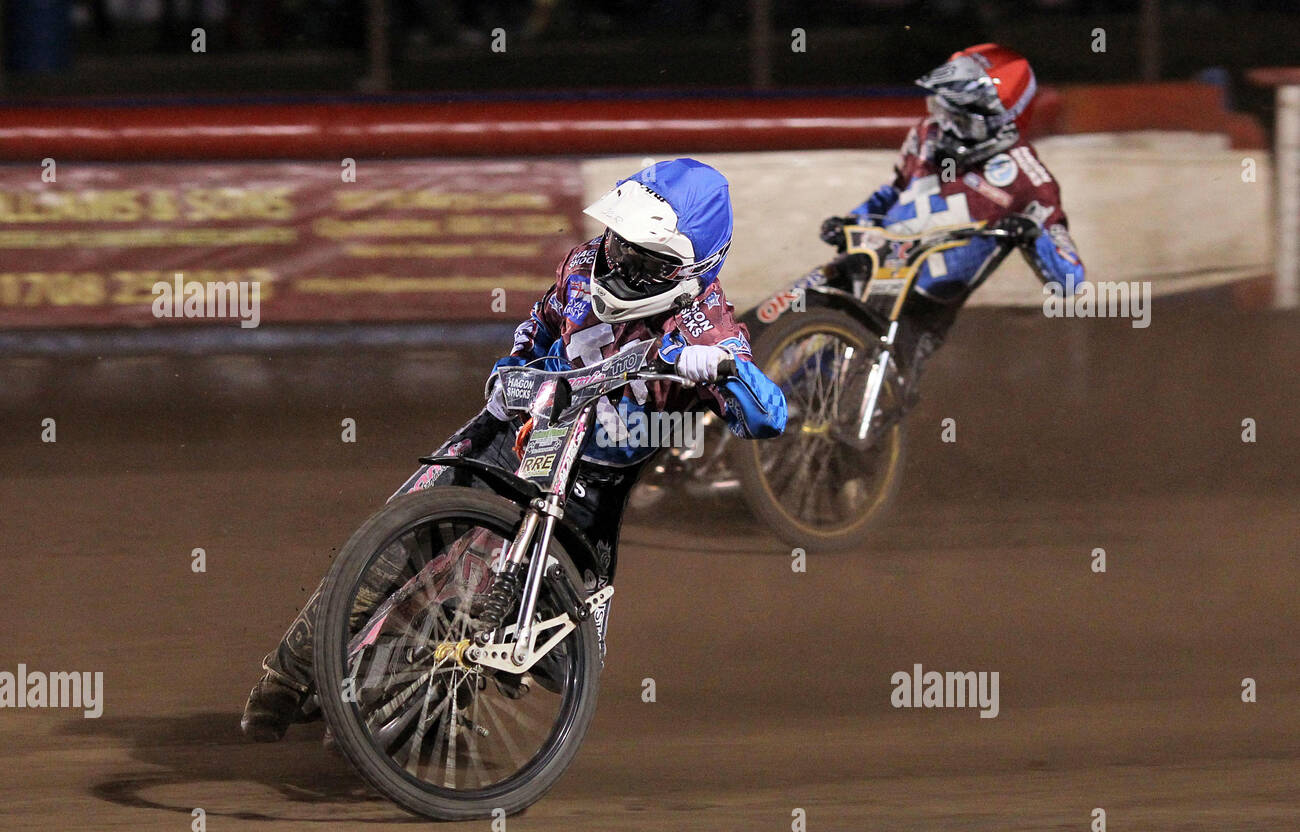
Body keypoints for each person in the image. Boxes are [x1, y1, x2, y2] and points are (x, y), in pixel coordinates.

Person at [242, 158, 787, 741]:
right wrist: (511, 372)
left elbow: (768, 416)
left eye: (638, 257)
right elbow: (539, 324)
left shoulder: (709, 328)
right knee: (391, 541)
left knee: (547, 649)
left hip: (590, 491)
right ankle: (288, 674)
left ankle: (432, 702)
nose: (617, 261)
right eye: (618, 243)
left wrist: (727, 371)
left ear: (686, 269)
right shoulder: (583, 265)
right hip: (522, 431)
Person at [819, 43, 1086, 390]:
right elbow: (893, 192)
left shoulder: (1031, 182)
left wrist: (1034, 233)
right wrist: (852, 221)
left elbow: (1070, 279)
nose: (944, 124)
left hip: (924, 308)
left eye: (958, 118)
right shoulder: (927, 134)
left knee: (882, 400)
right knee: (799, 334)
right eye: (941, 109)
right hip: (873, 267)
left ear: (1001, 123)